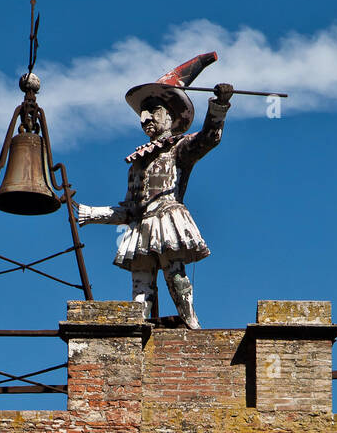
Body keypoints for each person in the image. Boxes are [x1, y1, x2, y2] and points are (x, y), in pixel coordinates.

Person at [77, 53, 233, 328]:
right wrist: (90, 213)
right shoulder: (136, 164)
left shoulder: (180, 148)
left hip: (167, 217)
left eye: (153, 111)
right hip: (142, 224)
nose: (144, 118)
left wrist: (219, 106)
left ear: (170, 116)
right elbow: (129, 209)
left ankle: (190, 322)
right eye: (143, 113)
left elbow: (209, 138)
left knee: (175, 273)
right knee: (140, 280)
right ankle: (137, 326)